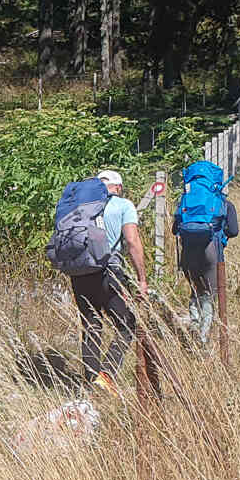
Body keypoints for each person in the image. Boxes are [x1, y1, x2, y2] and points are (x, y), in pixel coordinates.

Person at [46, 168, 147, 396]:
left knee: (91, 325)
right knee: (126, 324)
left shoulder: (78, 207)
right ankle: (107, 375)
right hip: (109, 272)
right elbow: (132, 241)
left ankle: (91, 382)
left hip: (79, 272)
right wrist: (142, 278)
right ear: (118, 187)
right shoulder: (123, 205)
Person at [172, 159, 237, 343]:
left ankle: (194, 326)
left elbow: (174, 229)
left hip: (187, 253)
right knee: (209, 294)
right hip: (211, 251)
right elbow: (234, 231)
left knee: (195, 290)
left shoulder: (184, 201)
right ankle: (203, 338)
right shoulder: (223, 203)